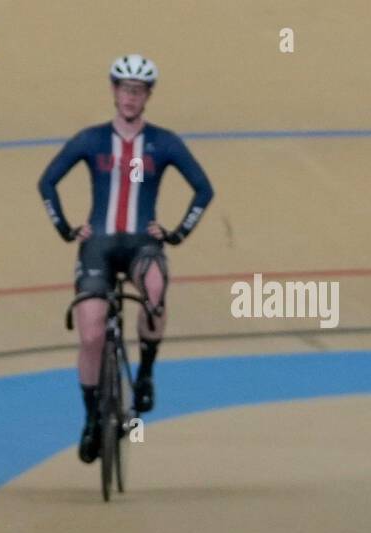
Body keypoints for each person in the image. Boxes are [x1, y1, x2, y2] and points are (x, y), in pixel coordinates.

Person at [37, 54, 214, 463]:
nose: (130, 97)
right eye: (124, 89)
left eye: (138, 90)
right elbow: (47, 182)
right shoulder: (92, 139)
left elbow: (203, 190)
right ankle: (91, 419)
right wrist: (65, 228)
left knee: (155, 289)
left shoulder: (164, 142)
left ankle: (146, 373)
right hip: (98, 245)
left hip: (141, 245)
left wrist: (177, 233)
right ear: (114, 91)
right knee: (91, 335)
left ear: (148, 95)